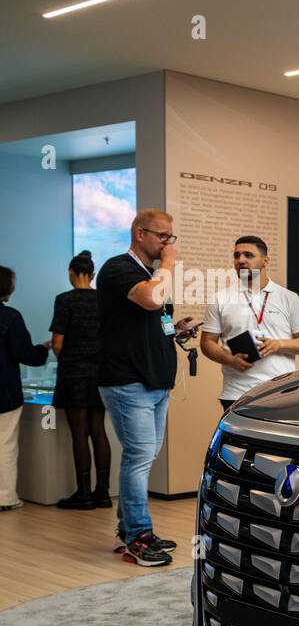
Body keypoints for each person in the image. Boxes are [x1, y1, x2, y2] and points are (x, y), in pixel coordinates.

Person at [97, 207, 195, 567]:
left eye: (171, 238)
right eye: (161, 237)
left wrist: (176, 329)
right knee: (139, 458)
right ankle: (137, 537)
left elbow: (157, 316)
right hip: (127, 381)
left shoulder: (151, 275)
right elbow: (151, 299)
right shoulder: (117, 268)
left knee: (145, 456)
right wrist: (168, 263)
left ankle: (132, 530)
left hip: (155, 380)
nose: (167, 243)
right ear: (140, 234)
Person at [200, 235, 299, 411]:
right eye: (237, 255)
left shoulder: (289, 298)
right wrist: (230, 359)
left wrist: (279, 344)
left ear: (265, 261)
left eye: (248, 255)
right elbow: (207, 342)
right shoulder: (220, 298)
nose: (241, 260)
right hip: (236, 394)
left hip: (281, 392)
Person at [49, 250, 112, 510]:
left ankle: (84, 493)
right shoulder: (103, 300)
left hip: (73, 373)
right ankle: (104, 493)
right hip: (101, 373)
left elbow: (57, 343)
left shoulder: (64, 300)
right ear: (93, 275)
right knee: (99, 430)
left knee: (79, 434)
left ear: (71, 273)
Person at [0, 266, 51, 512]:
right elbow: (24, 353)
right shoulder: (10, 316)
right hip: (4, 392)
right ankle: (5, 497)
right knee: (5, 444)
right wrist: (43, 349)